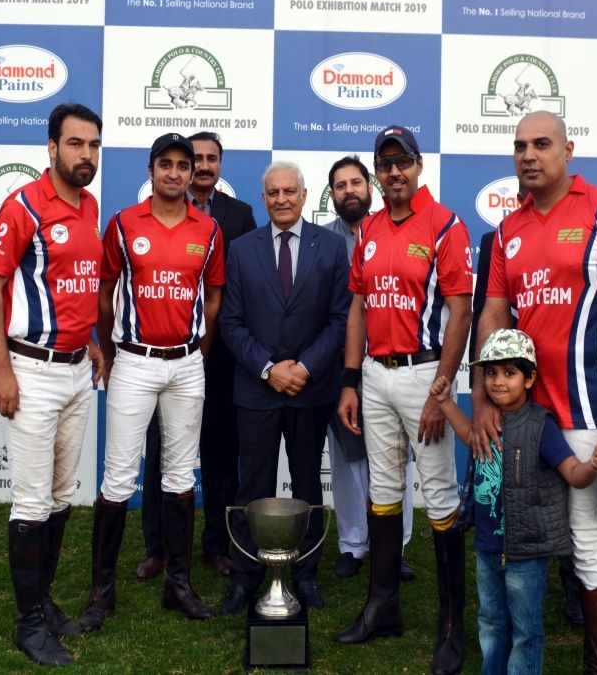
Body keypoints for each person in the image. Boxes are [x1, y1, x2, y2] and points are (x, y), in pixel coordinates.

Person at [474, 111, 597, 674]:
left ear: (568, 150)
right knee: (520, 538)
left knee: (587, 545)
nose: (529, 155)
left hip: (587, 415)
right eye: (520, 146)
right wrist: (482, 400)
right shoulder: (508, 230)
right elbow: (494, 317)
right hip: (525, 415)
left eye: (542, 144)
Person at [336, 126, 473, 675]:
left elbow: (461, 311)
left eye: (403, 162)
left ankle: (450, 626)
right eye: (385, 164)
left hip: (424, 374)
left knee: (439, 495)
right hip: (375, 373)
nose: (395, 172)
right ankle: (382, 607)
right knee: (385, 490)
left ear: (419, 167)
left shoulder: (445, 225)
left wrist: (442, 388)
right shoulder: (367, 227)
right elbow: (358, 310)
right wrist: (349, 379)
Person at [0, 103, 105, 667]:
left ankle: (43, 600)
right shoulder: (24, 204)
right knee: (30, 502)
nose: (86, 155)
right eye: (75, 144)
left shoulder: (90, 203)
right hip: (29, 369)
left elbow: (74, 285)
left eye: (94, 145)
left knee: (59, 497)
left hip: (78, 369)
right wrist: (1, 369)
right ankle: (28, 626)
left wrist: (94, 339)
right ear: (51, 148)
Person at [79, 133, 224, 627]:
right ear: (151, 169)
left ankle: (178, 586)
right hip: (134, 361)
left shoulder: (208, 229)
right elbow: (104, 294)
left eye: (184, 166)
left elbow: (214, 295)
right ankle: (101, 593)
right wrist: (113, 352)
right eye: (166, 164)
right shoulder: (122, 224)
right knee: (119, 478)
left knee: (182, 479)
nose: (176, 173)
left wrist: (198, 351)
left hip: (186, 365)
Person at [431, 329, 597, 675]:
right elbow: (470, 436)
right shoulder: (487, 423)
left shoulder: (541, 426)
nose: (498, 382)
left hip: (527, 553)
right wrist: (445, 403)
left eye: (509, 373)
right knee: (491, 620)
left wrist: (593, 466)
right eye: (491, 373)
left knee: (526, 631)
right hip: (486, 547)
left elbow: (573, 472)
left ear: (529, 379)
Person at [219, 161, 350, 615]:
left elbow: (339, 320)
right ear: (263, 196)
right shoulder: (239, 249)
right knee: (251, 485)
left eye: (289, 191)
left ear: (304, 194)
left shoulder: (332, 247)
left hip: (310, 391)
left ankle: (306, 574)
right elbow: (230, 322)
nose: (281, 199)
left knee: (308, 485)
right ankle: (244, 576)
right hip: (256, 389)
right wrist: (268, 369)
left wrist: (306, 368)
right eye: (272, 192)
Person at [134, 131, 257, 582]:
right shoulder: (155, 217)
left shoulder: (240, 215)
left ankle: (216, 545)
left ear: (220, 165)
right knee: (162, 452)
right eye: (195, 159)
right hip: (165, 356)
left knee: (221, 456)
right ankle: (159, 547)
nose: (203, 166)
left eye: (211, 159)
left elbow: (241, 288)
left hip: (221, 359)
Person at [471, 211, 583, 627]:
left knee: (569, 507)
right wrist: (481, 390)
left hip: (570, 391)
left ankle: (573, 591)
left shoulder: (581, 235)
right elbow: (487, 312)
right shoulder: (497, 241)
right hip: (518, 383)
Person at [324, 155, 416, 582]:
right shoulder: (319, 242)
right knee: (348, 461)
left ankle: (394, 548)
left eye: (355, 182)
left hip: (390, 365)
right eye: (340, 186)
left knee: (395, 459)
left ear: (370, 186)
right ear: (332, 195)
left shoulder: (391, 232)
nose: (349, 191)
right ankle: (352, 545)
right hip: (340, 370)